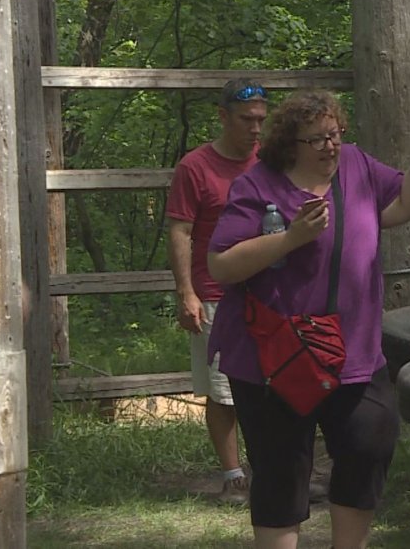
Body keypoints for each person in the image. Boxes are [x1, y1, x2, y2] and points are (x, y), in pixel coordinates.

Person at [206, 89, 410, 549]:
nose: (329, 146)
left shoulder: (357, 165)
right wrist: (290, 238)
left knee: (370, 444)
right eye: (315, 139)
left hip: (352, 351)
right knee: (281, 471)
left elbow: (401, 206)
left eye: (333, 134)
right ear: (289, 145)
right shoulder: (258, 185)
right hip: (272, 360)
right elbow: (221, 265)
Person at [167, 78, 268, 504]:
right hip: (215, 292)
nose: (255, 128)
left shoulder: (270, 162)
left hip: (268, 289)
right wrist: (186, 292)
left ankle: (276, 470)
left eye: (262, 120)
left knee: (274, 385)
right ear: (223, 116)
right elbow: (181, 229)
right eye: (247, 119)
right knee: (225, 388)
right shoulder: (196, 167)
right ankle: (233, 476)